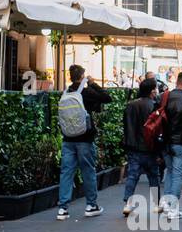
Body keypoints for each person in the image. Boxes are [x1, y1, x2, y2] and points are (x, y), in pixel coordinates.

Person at [56, 64, 110, 220]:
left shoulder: (65, 93)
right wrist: (92, 83)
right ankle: (91, 205)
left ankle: (63, 209)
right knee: (88, 170)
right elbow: (107, 97)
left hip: (68, 138)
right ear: (82, 77)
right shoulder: (86, 92)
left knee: (66, 172)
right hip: (85, 139)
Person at [121, 80, 161, 216]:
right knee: (154, 176)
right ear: (152, 91)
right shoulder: (154, 106)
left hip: (133, 147)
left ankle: (127, 203)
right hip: (150, 147)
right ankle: (156, 204)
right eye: (155, 89)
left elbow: (126, 126)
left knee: (132, 175)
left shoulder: (131, 105)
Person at [159, 70, 182, 217]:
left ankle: (166, 203)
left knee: (170, 171)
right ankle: (173, 208)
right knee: (177, 174)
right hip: (180, 141)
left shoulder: (165, 96)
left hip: (165, 141)